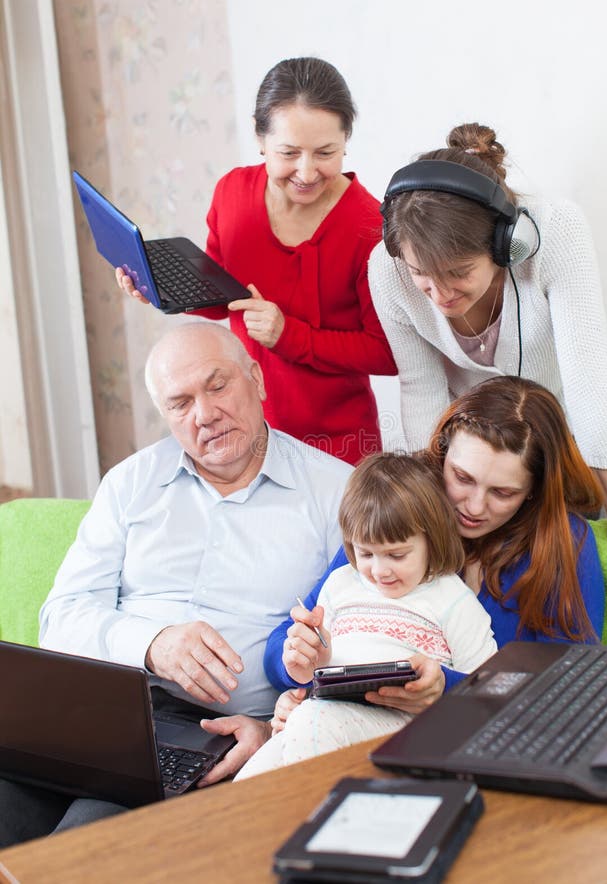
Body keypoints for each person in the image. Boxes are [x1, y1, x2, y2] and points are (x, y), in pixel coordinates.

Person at [0, 322, 351, 847]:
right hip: (100, 717)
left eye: (217, 386)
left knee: (81, 846)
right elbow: (62, 616)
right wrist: (153, 643)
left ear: (256, 379)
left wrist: (278, 729)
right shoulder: (129, 484)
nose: (205, 415)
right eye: (180, 403)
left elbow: (355, 643)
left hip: (225, 734)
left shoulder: (337, 492)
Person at [368, 121, 607, 553]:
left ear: (505, 246)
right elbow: (421, 390)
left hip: (552, 449)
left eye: (458, 274)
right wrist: (434, 517)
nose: (439, 296)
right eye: (422, 275)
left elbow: (591, 391)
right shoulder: (388, 270)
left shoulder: (553, 234)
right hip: (468, 460)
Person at [117, 56, 396, 465]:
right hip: (246, 437)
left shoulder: (369, 226)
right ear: (259, 137)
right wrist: (158, 287)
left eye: (325, 153)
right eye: (288, 153)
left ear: (346, 141)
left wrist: (290, 335)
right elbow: (220, 300)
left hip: (337, 445)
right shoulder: (232, 194)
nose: (306, 171)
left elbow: (387, 353)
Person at [265, 376, 606, 707]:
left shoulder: (563, 540)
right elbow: (283, 646)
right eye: (462, 478)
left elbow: (571, 689)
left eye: (503, 492)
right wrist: (296, 662)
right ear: (443, 454)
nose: (473, 507)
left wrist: (446, 686)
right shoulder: (403, 504)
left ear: (534, 491)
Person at [236, 452, 497, 778]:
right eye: (365, 553)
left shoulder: (452, 599)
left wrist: (444, 684)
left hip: (405, 728)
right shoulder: (341, 583)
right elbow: (315, 670)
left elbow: (491, 688)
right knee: (248, 780)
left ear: (431, 540)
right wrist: (301, 681)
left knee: (312, 724)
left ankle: (316, 823)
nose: (379, 570)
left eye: (397, 555)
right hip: (322, 718)